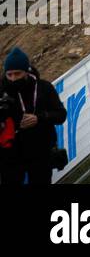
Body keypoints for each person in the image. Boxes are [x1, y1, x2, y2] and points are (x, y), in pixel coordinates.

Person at [1, 48, 67, 186]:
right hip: (11, 154)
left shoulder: (44, 87)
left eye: (17, 74)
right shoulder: (2, 92)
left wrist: (40, 118)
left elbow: (61, 115)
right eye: (9, 74)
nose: (13, 78)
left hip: (40, 151)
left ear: (26, 71)